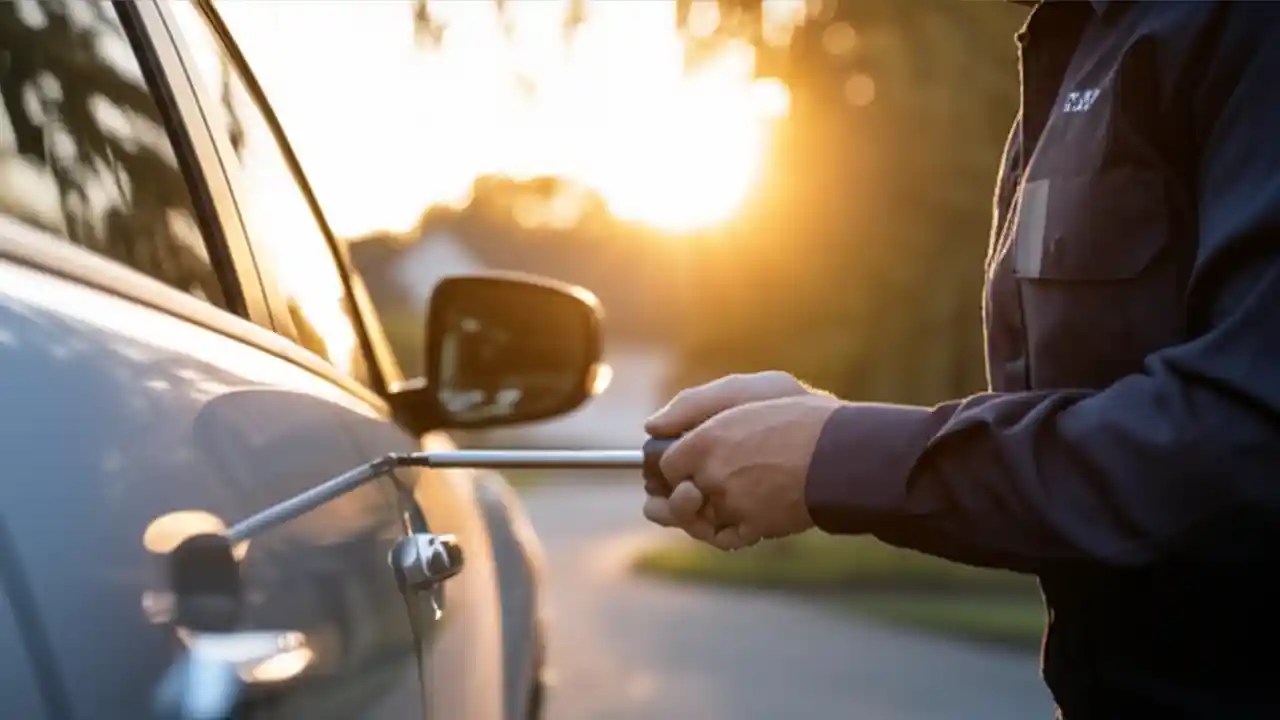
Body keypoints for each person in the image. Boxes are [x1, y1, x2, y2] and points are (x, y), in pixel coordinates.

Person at [641, 2, 1280, 717]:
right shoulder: (1081, 41)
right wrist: (821, 434)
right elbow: (1089, 434)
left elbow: (1243, 442)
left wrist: (839, 457)